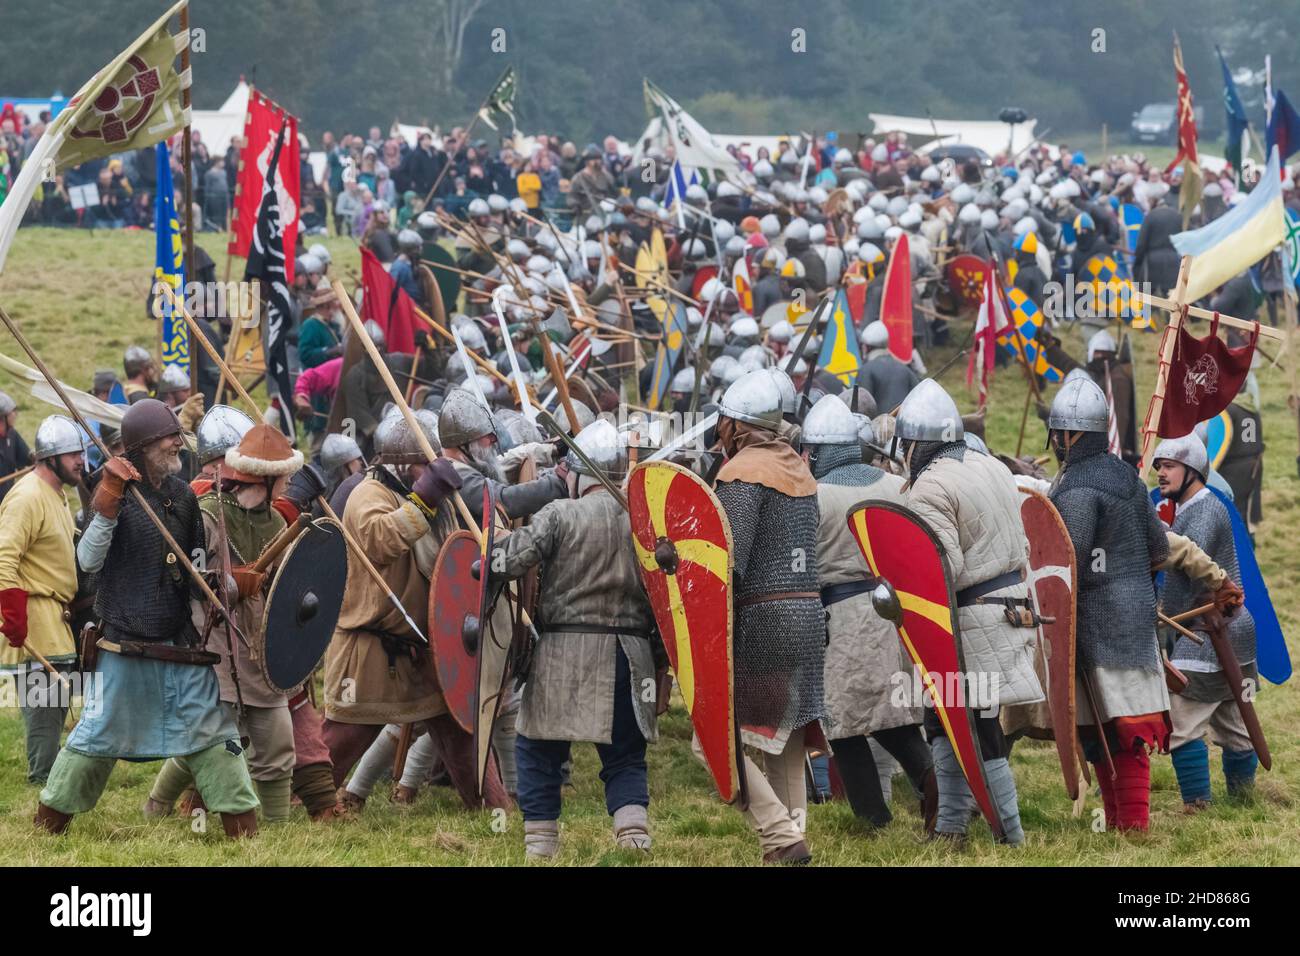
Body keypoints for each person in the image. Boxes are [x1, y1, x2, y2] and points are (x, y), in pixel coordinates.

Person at [36, 400, 259, 837]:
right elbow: (88, 561)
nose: (179, 441)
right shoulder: (111, 489)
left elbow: (195, 569)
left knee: (212, 731)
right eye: (168, 436)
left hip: (178, 641)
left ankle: (242, 826)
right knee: (96, 737)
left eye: (178, 434)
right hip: (125, 644)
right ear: (142, 446)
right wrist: (107, 506)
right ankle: (50, 820)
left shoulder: (181, 497)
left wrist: (225, 586)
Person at [320, 410, 510, 810]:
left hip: (429, 647)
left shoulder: (435, 500)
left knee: (461, 733)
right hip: (372, 647)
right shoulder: (368, 494)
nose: (429, 467)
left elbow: (458, 552)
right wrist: (423, 499)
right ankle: (304, 802)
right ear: (404, 464)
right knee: (343, 739)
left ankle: (493, 807)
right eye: (423, 463)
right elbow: (379, 540)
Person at [493, 420, 661, 857]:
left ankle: (541, 845)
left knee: (539, 747)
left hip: (564, 653)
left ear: (581, 475)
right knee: (624, 751)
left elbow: (506, 562)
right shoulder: (645, 523)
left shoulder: (559, 515)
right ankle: (633, 836)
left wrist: (491, 540)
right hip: (630, 653)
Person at [894, 380, 1040, 844]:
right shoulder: (990, 465)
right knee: (948, 722)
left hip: (970, 622)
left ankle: (1010, 835)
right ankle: (950, 826)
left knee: (973, 726)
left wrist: (896, 591)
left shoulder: (929, 488)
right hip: (1010, 608)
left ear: (914, 444)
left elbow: (939, 570)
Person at [144, 424, 305, 824]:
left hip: (258, 642)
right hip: (213, 642)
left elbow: (286, 590)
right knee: (210, 740)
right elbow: (185, 579)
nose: (288, 482)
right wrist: (231, 583)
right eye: (283, 475)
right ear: (265, 478)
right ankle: (156, 808)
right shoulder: (208, 515)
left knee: (277, 739)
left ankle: (278, 829)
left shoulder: (278, 524)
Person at [800, 395, 936, 832]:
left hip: (844, 619)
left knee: (845, 723)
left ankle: (873, 818)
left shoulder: (815, 496)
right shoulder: (894, 484)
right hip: (897, 613)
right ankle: (939, 789)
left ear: (819, 451)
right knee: (893, 715)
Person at [705, 369, 825, 864]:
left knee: (712, 739)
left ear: (737, 426)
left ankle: (779, 832)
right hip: (807, 615)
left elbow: (727, 563)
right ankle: (789, 845)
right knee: (786, 747)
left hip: (763, 621)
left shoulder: (742, 474)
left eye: (725, 422)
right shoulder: (801, 471)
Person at [1045, 377, 1169, 832]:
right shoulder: (1128, 479)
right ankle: (1120, 822)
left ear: (1068, 435)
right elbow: (1159, 551)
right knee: (1103, 725)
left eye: (1059, 433)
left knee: (1121, 725)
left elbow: (1065, 563)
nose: (1057, 442)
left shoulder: (1078, 488)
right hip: (1133, 616)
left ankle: (1132, 825)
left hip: (1100, 622)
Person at [1152, 434, 1258, 812]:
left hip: (1209, 633)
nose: (1161, 474)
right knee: (1234, 721)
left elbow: (1180, 555)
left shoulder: (1204, 510)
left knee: (1181, 724)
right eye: (1159, 466)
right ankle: (1244, 803)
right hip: (1228, 631)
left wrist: (1139, 536)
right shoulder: (1190, 508)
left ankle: (1198, 806)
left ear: (1193, 470)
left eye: (1170, 466)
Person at [0, 417, 83, 784]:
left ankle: (52, 783)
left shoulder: (57, 495)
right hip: (35, 623)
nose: (81, 460)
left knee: (55, 708)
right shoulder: (27, 495)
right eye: (72, 454)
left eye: (80, 452)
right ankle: (43, 787)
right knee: (45, 712)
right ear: (50, 458)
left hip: (57, 621)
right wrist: (13, 616)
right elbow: (3, 558)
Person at [855, 321, 919, 412]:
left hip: (877, 425)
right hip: (903, 424)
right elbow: (919, 398)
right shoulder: (905, 369)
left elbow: (860, 408)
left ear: (865, 347)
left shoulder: (866, 370)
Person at [0, 391, 33, 505]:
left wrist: (40, 458)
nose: (15, 414)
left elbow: (28, 457)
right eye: (10, 412)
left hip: (7, 502)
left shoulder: (12, 435)